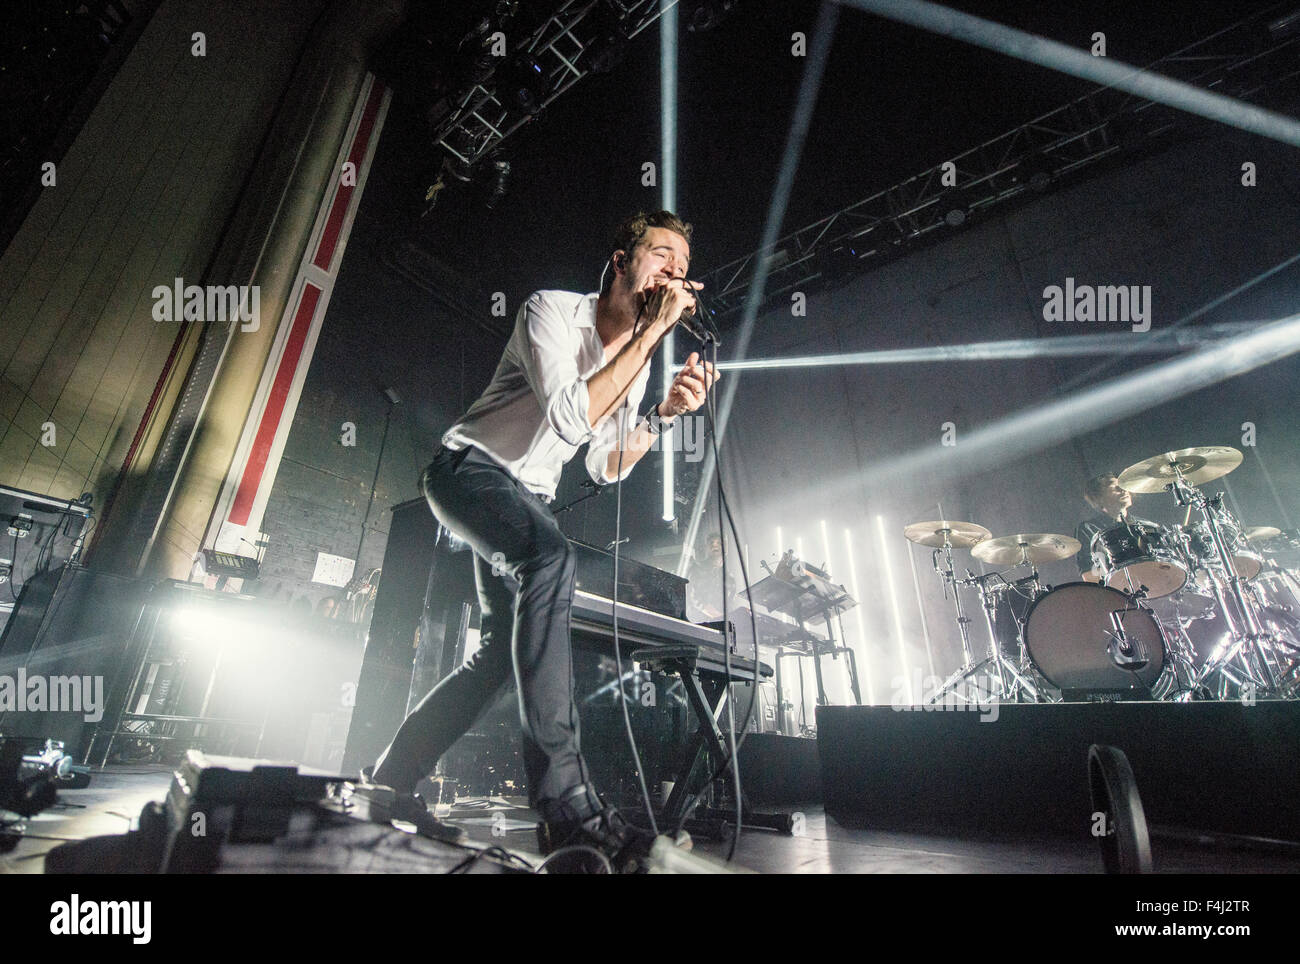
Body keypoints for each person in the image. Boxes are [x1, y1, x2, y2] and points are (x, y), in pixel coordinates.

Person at [359, 211, 719, 871]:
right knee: (549, 559)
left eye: (684, 268)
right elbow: (568, 415)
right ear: (620, 261)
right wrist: (650, 336)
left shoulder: (636, 367)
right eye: (663, 255)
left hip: (529, 498)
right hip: (468, 470)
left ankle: (389, 777)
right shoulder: (551, 311)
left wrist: (663, 415)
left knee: (497, 656)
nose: (675, 273)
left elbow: (604, 464)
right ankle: (564, 808)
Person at [1075, 471, 1139, 581]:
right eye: (1115, 487)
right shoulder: (1089, 528)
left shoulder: (1144, 525)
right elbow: (1090, 573)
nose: (1123, 490)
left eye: (1123, 485)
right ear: (1099, 497)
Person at [686, 531, 737, 622]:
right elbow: (694, 598)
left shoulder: (729, 578)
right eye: (711, 543)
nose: (714, 545)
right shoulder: (696, 569)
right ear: (706, 548)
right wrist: (718, 616)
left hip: (722, 626)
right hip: (699, 624)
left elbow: (730, 605)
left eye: (719, 543)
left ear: (726, 548)